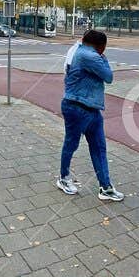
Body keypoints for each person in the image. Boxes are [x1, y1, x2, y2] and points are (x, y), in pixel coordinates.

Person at [56, 28, 123, 202]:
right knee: (72, 144)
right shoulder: (89, 56)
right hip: (76, 107)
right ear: (100, 46)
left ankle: (105, 187)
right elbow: (108, 77)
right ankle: (63, 178)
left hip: (91, 108)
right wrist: (104, 59)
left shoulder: (79, 51)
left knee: (99, 147)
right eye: (104, 48)